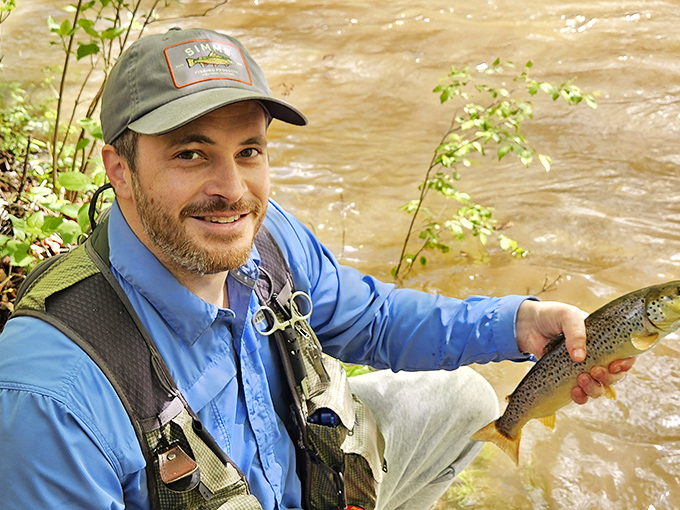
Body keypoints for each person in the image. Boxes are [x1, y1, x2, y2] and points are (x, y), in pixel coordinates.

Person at [0, 27, 634, 510]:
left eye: (249, 150)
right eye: (191, 154)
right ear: (120, 170)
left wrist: (519, 325)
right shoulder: (49, 395)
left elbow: (377, 319)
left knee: (467, 400)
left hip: (307, 480)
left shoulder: (267, 242)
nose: (232, 189)